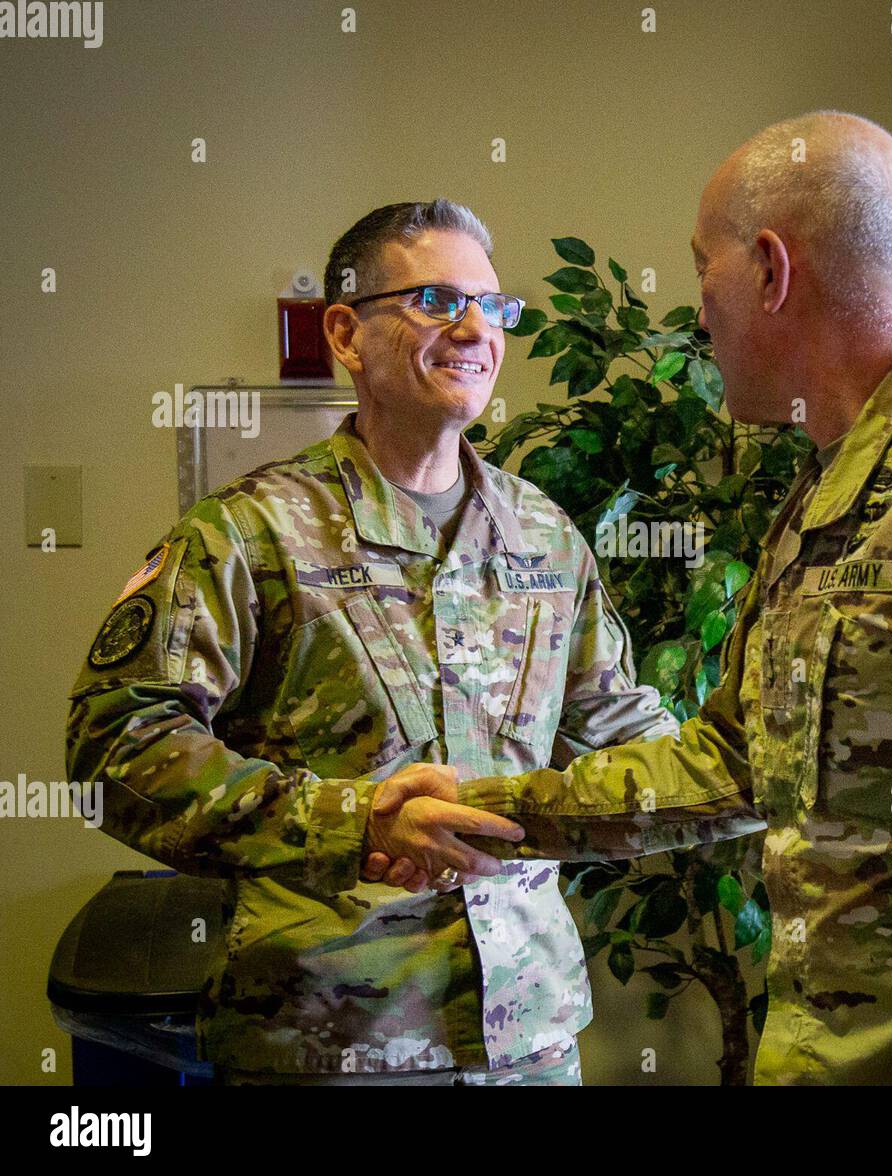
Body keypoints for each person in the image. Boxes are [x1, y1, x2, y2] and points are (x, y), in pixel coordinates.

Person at [370, 114, 892, 1085]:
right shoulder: (826, 500)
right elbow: (736, 757)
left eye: (704, 273)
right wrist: (483, 811)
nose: (699, 315)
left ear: (770, 272)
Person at [65, 199, 687, 1085]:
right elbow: (114, 747)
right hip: (332, 1038)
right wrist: (355, 825)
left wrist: (766, 768)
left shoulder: (545, 535)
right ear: (348, 334)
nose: (477, 328)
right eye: (437, 300)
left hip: (528, 1035)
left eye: (493, 305)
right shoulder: (249, 532)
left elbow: (618, 726)